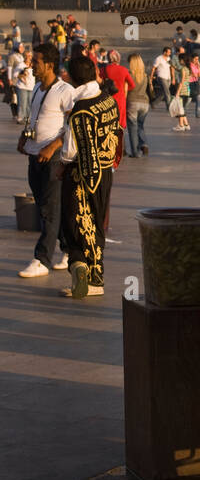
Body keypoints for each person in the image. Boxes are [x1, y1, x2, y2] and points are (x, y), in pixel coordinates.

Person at [57, 52, 120, 298]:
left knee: (79, 222)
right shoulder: (107, 99)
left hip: (81, 176)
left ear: (73, 79)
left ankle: (85, 270)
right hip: (105, 171)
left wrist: (61, 165)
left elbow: (70, 150)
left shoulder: (80, 110)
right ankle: (94, 272)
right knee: (97, 220)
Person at [17, 43, 74, 278]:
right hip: (35, 155)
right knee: (45, 207)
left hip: (53, 159)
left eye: (36, 61)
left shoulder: (65, 90)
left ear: (50, 64)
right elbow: (35, 118)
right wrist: (24, 136)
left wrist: (53, 146)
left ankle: (42, 259)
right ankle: (70, 250)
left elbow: (73, 124)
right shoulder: (39, 88)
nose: (31, 66)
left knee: (50, 209)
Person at [103, 49, 135, 162]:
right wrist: (123, 89)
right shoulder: (123, 70)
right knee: (120, 126)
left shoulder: (105, 69)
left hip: (108, 99)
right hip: (121, 100)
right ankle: (122, 149)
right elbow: (132, 84)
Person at [126, 52, 150, 157]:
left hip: (132, 102)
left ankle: (135, 152)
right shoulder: (145, 76)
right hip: (145, 103)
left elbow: (126, 90)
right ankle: (144, 143)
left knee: (132, 127)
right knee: (140, 125)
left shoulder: (129, 75)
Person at [15, 50, 35, 126]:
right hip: (22, 87)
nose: (28, 57)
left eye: (29, 56)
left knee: (30, 103)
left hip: (31, 87)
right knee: (22, 103)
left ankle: (28, 118)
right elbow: (15, 74)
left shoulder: (33, 65)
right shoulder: (21, 65)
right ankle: (20, 118)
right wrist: (22, 75)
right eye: (26, 56)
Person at [172, 61, 192, 131]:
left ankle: (181, 125)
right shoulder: (188, 69)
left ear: (183, 60)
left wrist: (177, 93)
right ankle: (186, 124)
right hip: (187, 90)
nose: (179, 61)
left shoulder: (183, 69)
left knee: (180, 108)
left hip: (182, 90)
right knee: (182, 108)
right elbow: (179, 69)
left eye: (180, 60)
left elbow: (182, 81)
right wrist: (173, 66)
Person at [187, 53, 200, 119]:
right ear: (191, 58)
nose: (196, 60)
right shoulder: (189, 65)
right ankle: (182, 112)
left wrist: (199, 66)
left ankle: (198, 114)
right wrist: (196, 73)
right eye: (195, 59)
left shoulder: (196, 65)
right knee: (188, 99)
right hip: (189, 84)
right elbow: (194, 74)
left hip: (196, 83)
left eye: (197, 59)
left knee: (199, 98)